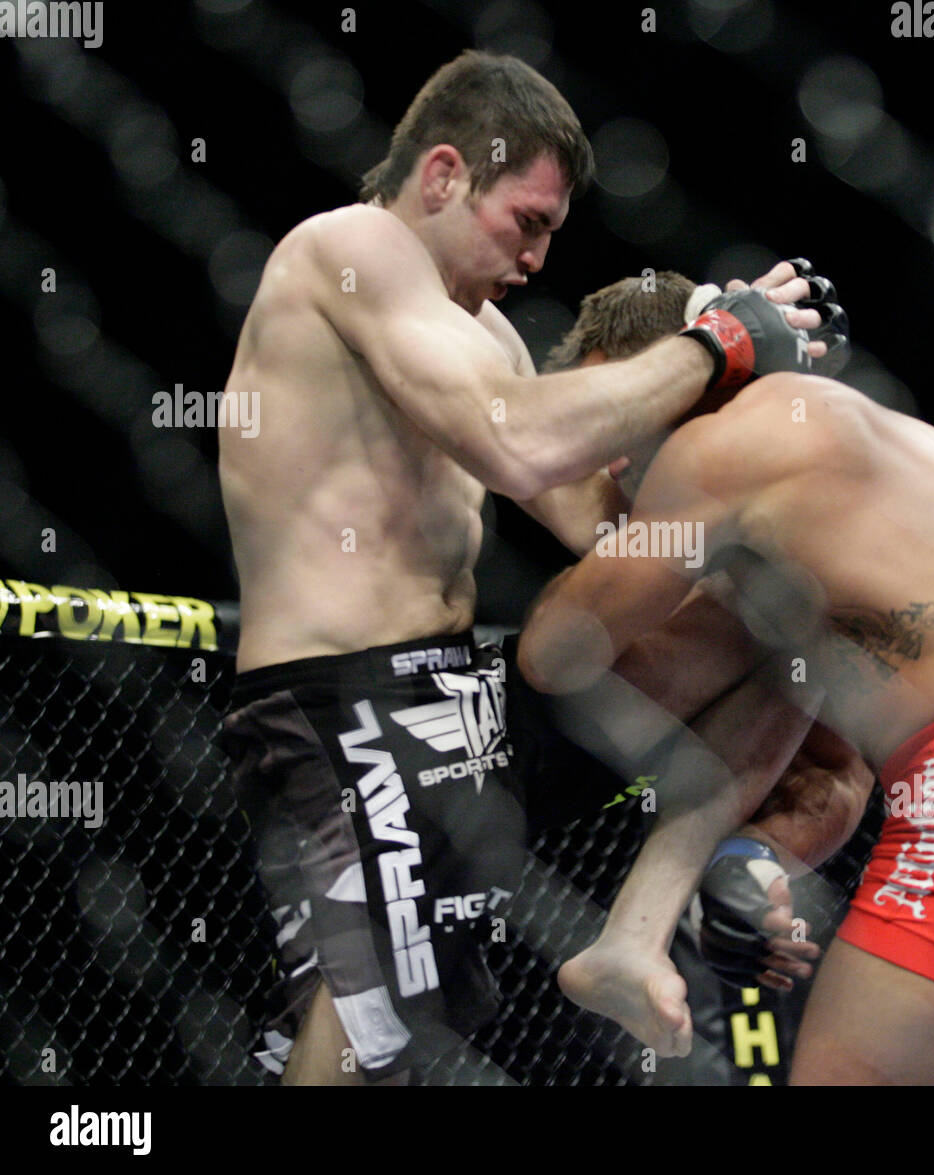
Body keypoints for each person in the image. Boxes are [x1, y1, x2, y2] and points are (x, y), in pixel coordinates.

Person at [216, 50, 823, 1085]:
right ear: (444, 174)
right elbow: (518, 442)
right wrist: (710, 346)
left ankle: (634, 937)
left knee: (774, 642)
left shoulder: (480, 331)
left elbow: (598, 523)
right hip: (346, 704)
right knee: (371, 1020)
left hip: (461, 702)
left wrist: (729, 429)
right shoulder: (349, 250)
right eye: (526, 222)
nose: (538, 259)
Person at [519, 275, 934, 1084]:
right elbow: (831, 757)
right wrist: (750, 855)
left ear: (681, 367)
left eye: (618, 413)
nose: (614, 455)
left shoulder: (724, 448)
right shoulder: (908, 446)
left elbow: (555, 652)